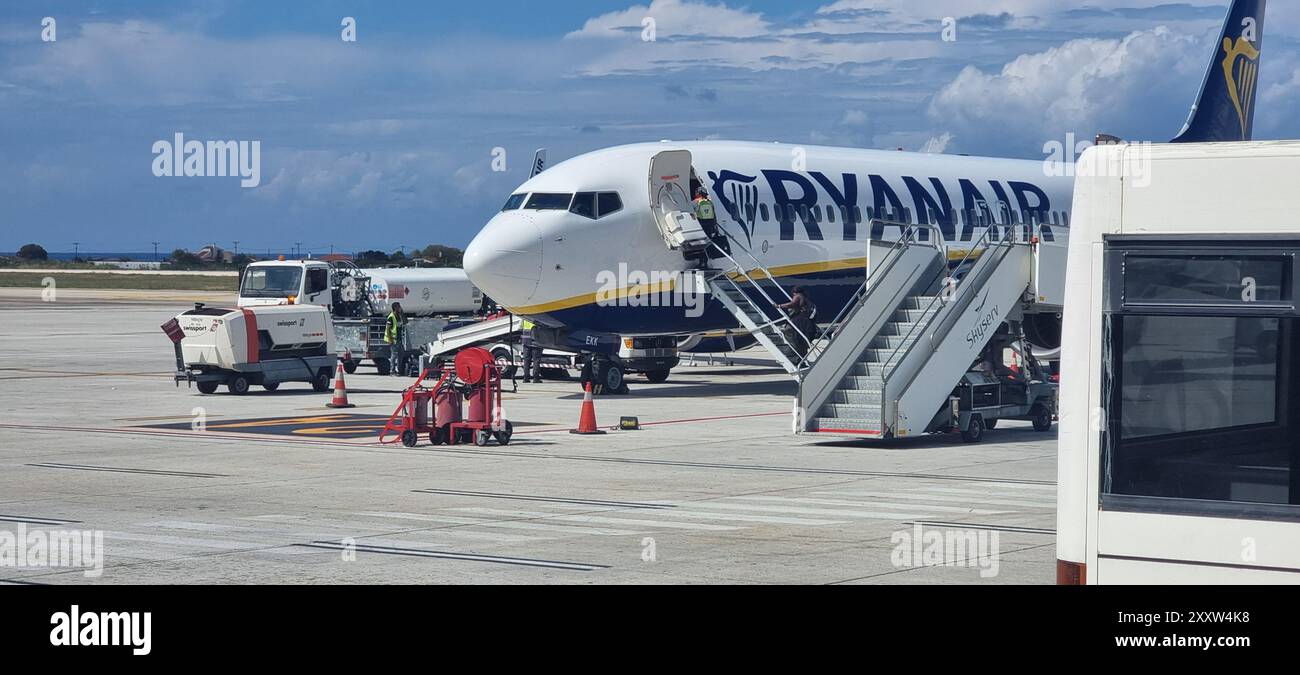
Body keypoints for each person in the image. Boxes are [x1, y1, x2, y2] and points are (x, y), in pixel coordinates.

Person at [777, 285, 817, 358]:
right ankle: (801, 358)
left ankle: (796, 357)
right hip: (807, 322)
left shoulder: (798, 296)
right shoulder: (805, 298)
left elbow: (792, 304)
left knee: (795, 338)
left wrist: (779, 306)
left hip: (800, 321)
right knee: (803, 340)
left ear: (794, 292)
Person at [384, 302, 407, 377]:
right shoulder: (391, 317)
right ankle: (392, 371)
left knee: (400, 355)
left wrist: (402, 313)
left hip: (400, 339)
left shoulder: (399, 316)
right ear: (395, 307)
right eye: (399, 307)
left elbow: (405, 322)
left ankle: (398, 371)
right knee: (394, 356)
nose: (400, 308)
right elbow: (388, 329)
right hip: (393, 340)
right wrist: (390, 339)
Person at [520, 319, 543, 383]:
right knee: (536, 360)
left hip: (526, 341)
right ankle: (536, 378)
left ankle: (526, 378)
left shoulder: (525, 318)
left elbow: (520, 327)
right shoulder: (538, 318)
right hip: (535, 342)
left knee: (526, 361)